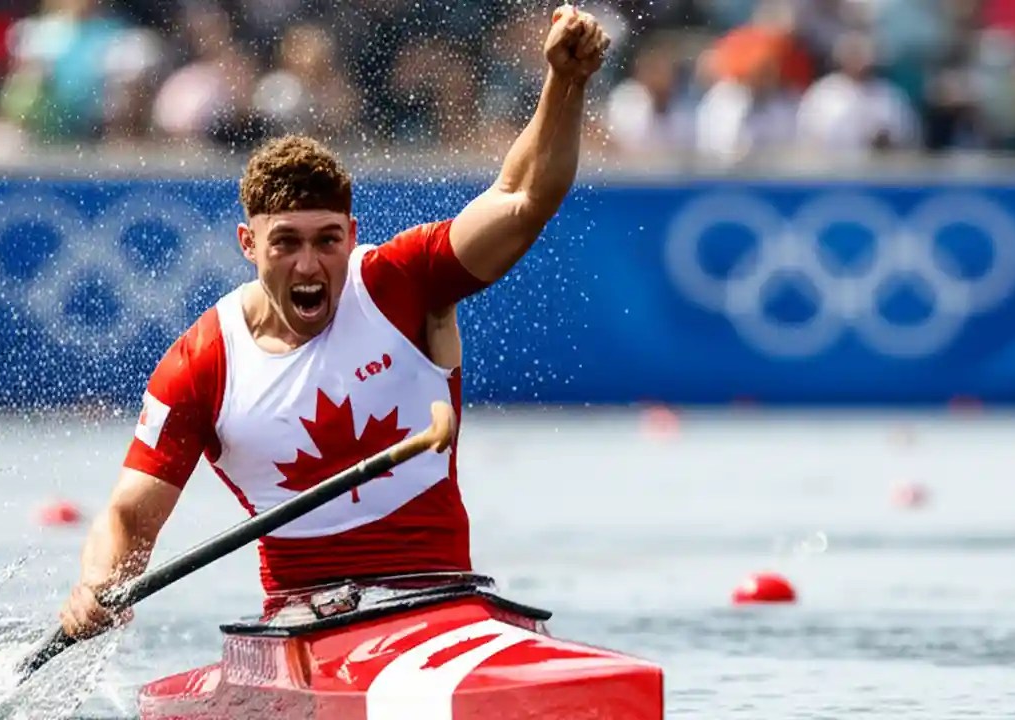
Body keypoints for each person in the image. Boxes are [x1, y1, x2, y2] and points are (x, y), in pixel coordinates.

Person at [58, 4, 611, 638]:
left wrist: (565, 83)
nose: (309, 263)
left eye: (326, 240)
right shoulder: (204, 362)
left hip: (443, 608)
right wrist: (98, 585)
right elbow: (131, 515)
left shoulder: (402, 282)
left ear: (352, 235)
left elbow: (521, 199)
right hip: (305, 631)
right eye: (285, 242)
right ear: (247, 243)